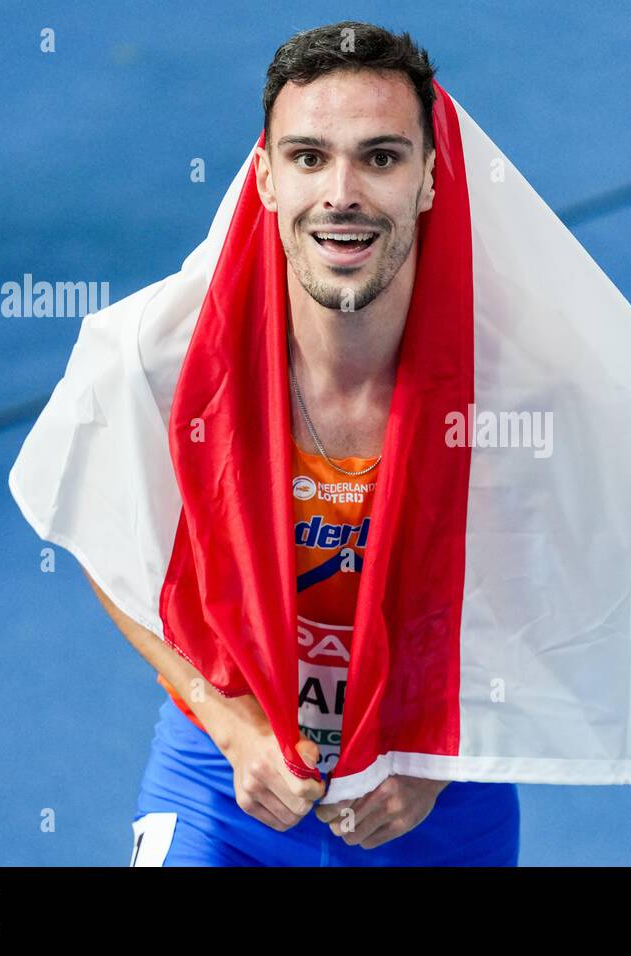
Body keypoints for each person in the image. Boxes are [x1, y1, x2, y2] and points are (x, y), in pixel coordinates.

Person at [91, 21, 520, 866]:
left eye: (382, 157)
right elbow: (101, 538)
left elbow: (572, 592)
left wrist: (446, 755)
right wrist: (227, 720)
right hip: (224, 776)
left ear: (432, 180)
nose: (342, 193)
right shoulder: (158, 361)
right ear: (265, 180)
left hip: (433, 795)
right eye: (310, 158)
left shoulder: (517, 394)